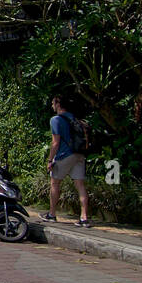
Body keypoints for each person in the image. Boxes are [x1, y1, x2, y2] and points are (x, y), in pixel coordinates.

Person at [43, 95, 92, 227]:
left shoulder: (56, 120)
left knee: (55, 183)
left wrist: (49, 160)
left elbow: (55, 143)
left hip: (64, 155)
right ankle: (84, 217)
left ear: (58, 104)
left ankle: (52, 214)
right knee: (80, 186)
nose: (52, 105)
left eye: (53, 103)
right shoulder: (74, 118)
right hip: (79, 155)